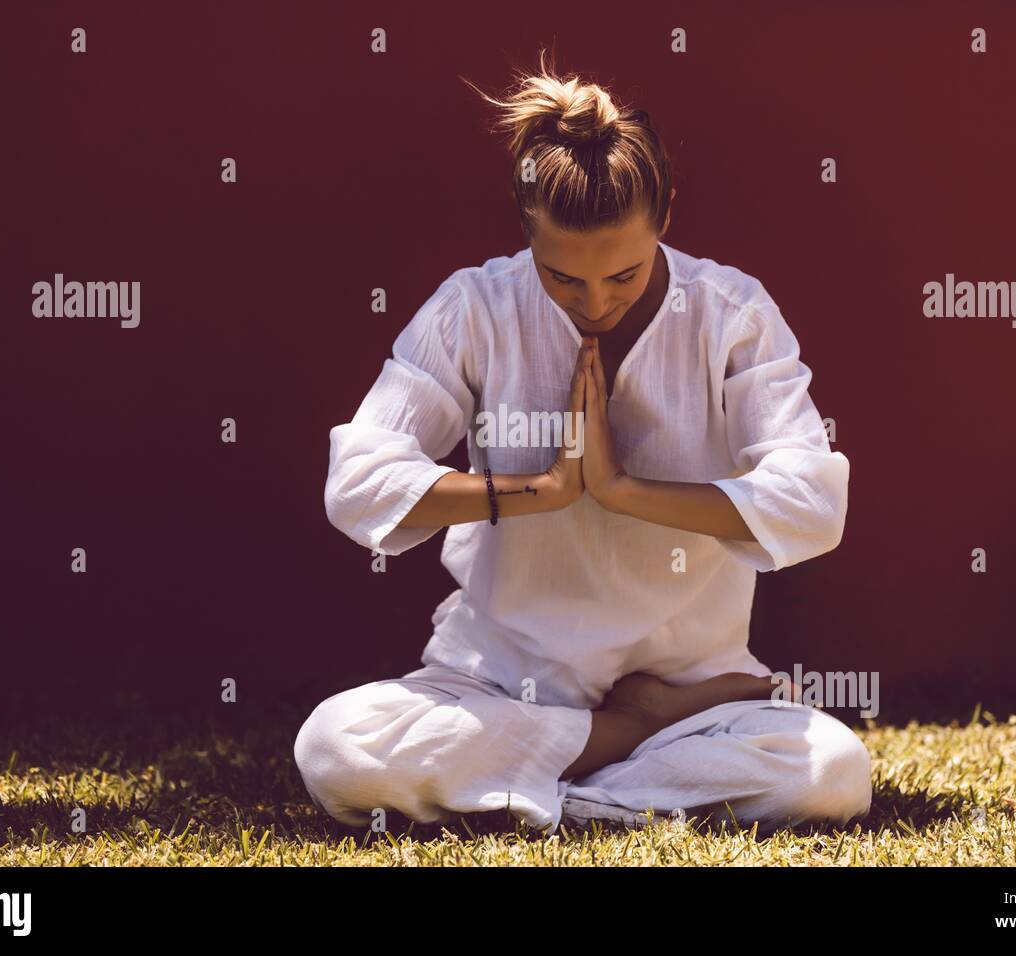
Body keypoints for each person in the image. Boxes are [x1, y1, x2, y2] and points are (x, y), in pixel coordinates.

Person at [294, 51, 872, 835]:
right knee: (334, 747)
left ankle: (551, 783)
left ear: (666, 216)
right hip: (498, 686)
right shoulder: (474, 310)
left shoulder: (731, 313)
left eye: (623, 275)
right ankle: (622, 751)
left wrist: (622, 490)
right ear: (525, 225)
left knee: (834, 773)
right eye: (563, 278)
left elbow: (811, 503)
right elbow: (359, 480)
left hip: (687, 692)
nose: (593, 301)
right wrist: (542, 492)